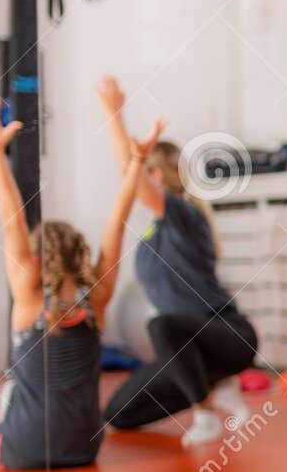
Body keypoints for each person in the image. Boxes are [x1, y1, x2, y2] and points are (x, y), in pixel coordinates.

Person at [0, 98, 145, 469]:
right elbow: (117, 224)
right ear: (81, 256)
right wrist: (136, 163)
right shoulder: (97, 297)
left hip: (25, 450)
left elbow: (12, 217)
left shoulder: (28, 295)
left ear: (37, 259)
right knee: (4, 409)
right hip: (85, 450)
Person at [98, 76, 257, 446]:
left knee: (162, 325)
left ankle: (204, 414)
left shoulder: (183, 215)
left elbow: (129, 176)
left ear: (159, 176)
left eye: (147, 172)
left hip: (228, 336)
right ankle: (214, 388)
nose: (142, 181)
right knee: (119, 414)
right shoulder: (153, 231)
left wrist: (113, 115)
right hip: (187, 350)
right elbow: (132, 181)